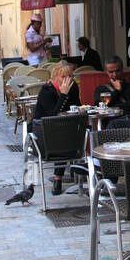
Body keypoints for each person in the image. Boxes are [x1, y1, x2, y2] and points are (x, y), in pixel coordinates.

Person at [30, 60, 81, 196]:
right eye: (63, 76)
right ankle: (58, 178)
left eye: (70, 76)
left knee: (84, 131)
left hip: (66, 129)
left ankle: (85, 173)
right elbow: (52, 115)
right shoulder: (47, 91)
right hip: (44, 132)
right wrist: (63, 95)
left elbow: (77, 106)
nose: (67, 80)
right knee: (63, 137)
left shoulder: (73, 87)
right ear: (55, 77)